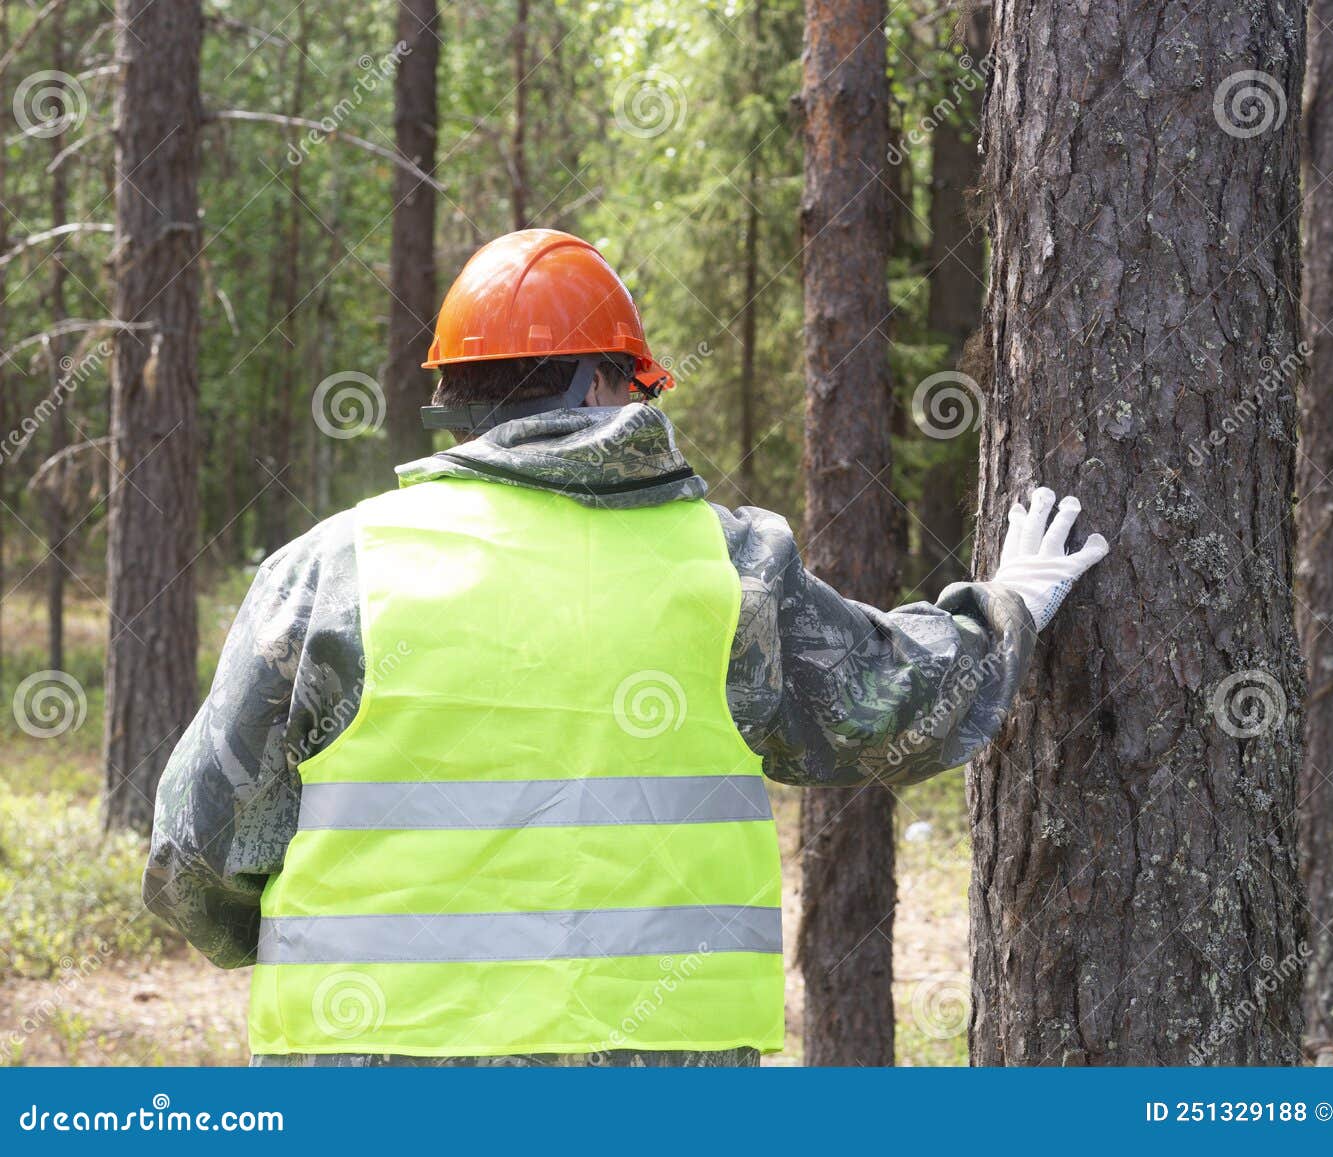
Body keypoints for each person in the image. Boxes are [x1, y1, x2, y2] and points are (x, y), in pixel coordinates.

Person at [143, 229, 1108, 1067]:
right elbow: (891, 707)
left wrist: (295, 944)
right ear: (606, 383)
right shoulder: (725, 567)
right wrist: (1008, 608)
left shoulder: (330, 572)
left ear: (452, 396)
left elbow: (195, 853)